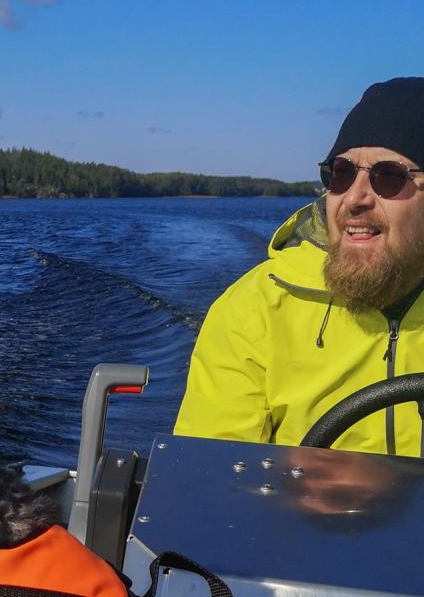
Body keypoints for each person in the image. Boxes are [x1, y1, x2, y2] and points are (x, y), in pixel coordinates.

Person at [174, 77, 424, 455]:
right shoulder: (254, 312)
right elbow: (210, 477)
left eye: (388, 177)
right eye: (340, 174)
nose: (354, 198)